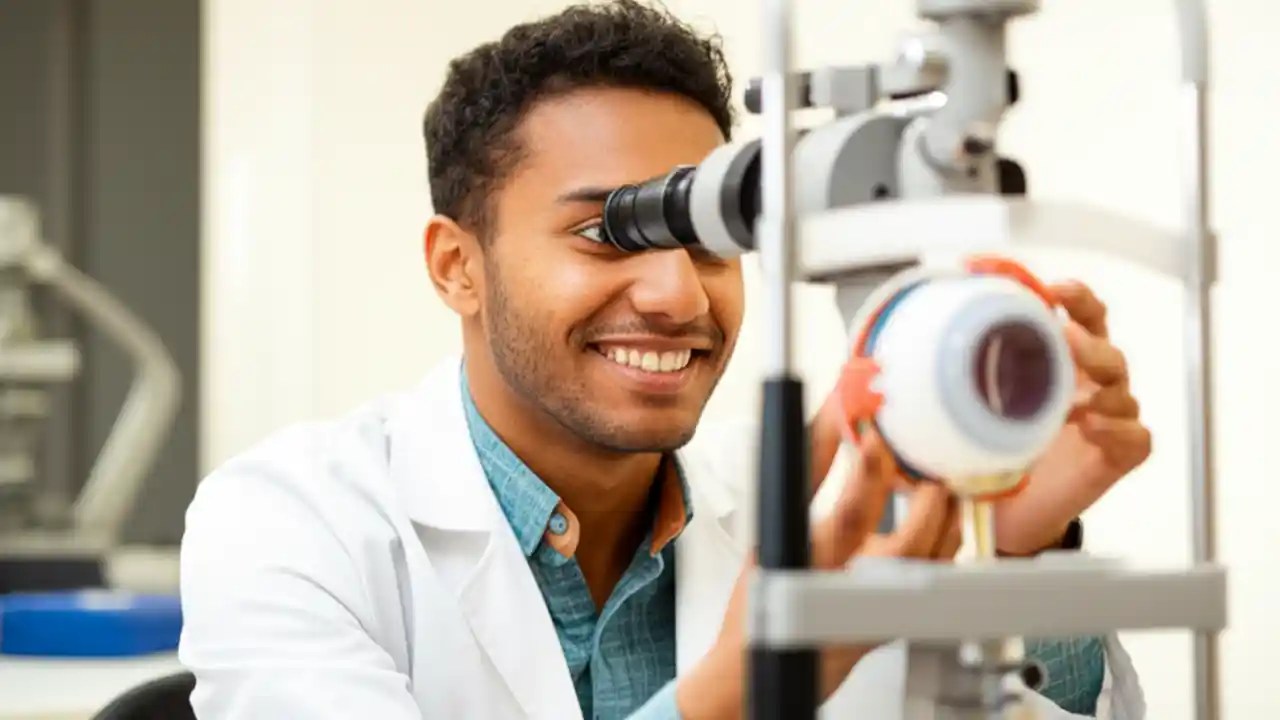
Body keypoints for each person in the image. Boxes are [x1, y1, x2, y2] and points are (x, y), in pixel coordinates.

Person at [177, 2, 1153, 718]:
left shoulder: (818, 507)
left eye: (704, 237)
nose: (679, 296)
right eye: (608, 231)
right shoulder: (289, 524)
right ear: (456, 266)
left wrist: (1016, 544)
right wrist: (747, 685)